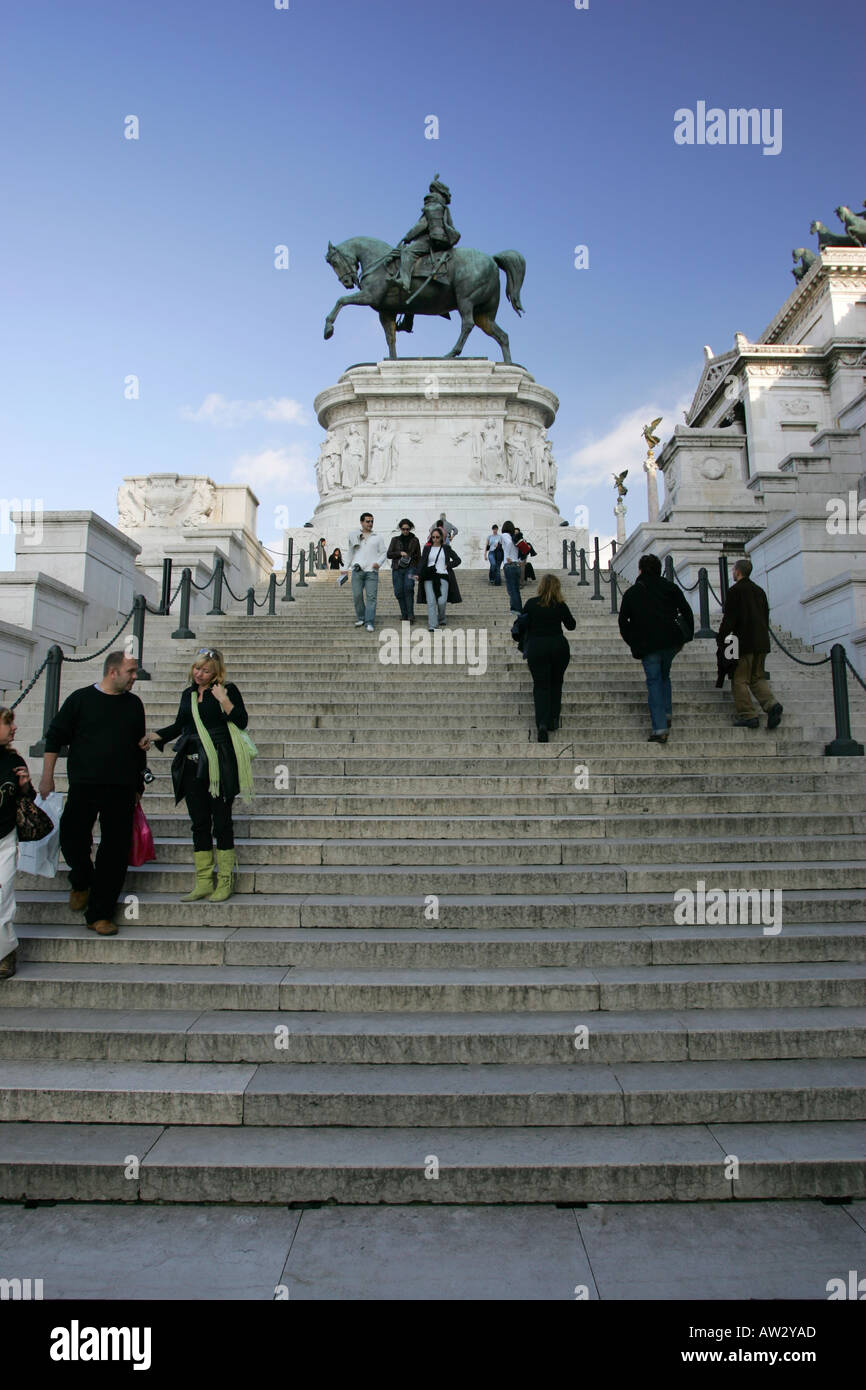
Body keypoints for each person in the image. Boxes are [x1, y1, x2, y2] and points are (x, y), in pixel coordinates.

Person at [39, 650, 147, 936]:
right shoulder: (80, 699)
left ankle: (100, 913)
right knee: (72, 838)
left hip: (121, 787)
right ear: (113, 672)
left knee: (114, 851)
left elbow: (139, 746)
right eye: (131, 672)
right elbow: (54, 737)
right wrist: (47, 777)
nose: (135, 677)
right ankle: (82, 879)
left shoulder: (134, 704)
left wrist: (138, 785)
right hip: (84, 784)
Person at [144, 647, 251, 903]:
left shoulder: (227, 690)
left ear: (216, 673)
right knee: (199, 822)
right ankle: (203, 881)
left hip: (220, 763)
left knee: (222, 822)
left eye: (205, 670)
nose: (199, 674)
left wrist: (223, 699)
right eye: (197, 668)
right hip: (192, 763)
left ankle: (225, 880)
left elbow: (241, 720)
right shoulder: (188, 694)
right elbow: (180, 725)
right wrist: (154, 736)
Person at [617, 553, 694, 743]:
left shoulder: (634, 592)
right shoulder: (670, 588)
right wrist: (686, 635)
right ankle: (666, 713)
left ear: (641, 570)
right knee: (664, 676)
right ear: (659, 569)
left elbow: (623, 621)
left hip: (648, 645)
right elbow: (686, 610)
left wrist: (632, 641)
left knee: (654, 682)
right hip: (671, 643)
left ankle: (659, 728)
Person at [716, 558, 783, 729]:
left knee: (739, 679)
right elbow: (765, 615)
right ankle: (771, 705)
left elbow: (730, 618)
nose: (732, 573)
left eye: (733, 570)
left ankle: (748, 714)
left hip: (742, 642)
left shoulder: (735, 591)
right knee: (757, 677)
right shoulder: (759, 591)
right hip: (761, 641)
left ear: (738, 572)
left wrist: (721, 637)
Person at [514, 575, 576, 742]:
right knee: (556, 683)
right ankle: (553, 719)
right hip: (558, 646)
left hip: (537, 647)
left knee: (541, 686)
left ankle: (541, 723)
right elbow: (572, 625)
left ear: (540, 586)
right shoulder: (560, 605)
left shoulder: (531, 604)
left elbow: (520, 625)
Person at [0, 707, 35, 979]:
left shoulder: (13, 760)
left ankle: (5, 953)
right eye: (8, 722)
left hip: (5, 839)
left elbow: (28, 799)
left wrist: (25, 786)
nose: (14, 728)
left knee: (3, 897)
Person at [345, 512, 389, 632]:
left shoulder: (377, 537)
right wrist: (344, 568)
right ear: (361, 522)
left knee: (371, 597)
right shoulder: (355, 535)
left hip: (372, 571)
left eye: (371, 521)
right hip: (357, 570)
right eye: (367, 521)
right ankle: (361, 617)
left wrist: (378, 563)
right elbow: (350, 552)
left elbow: (384, 552)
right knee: (357, 596)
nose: (370, 523)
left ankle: (369, 621)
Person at [417, 525, 462, 630]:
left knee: (442, 601)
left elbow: (458, 560)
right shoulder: (427, 548)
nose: (435, 539)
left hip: (443, 576)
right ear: (431, 537)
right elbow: (422, 562)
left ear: (442, 537)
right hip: (429, 576)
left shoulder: (446, 548)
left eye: (437, 537)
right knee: (431, 601)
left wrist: (448, 565)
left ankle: (441, 618)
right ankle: (432, 625)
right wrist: (418, 573)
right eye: (433, 537)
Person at [387, 518, 422, 623]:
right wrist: (400, 553)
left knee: (408, 588)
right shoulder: (395, 540)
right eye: (403, 529)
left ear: (410, 528)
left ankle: (410, 615)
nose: (405, 531)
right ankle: (404, 614)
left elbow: (419, 557)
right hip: (397, 569)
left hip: (410, 568)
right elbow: (389, 554)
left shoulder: (415, 540)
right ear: (400, 529)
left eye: (407, 529)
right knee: (398, 591)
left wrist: (418, 572)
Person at [499, 521, 523, 615]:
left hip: (510, 565)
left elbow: (508, 544)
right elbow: (520, 549)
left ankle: (515, 610)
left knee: (511, 589)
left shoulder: (505, 535)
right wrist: (519, 560)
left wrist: (507, 556)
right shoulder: (515, 537)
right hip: (516, 565)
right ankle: (518, 609)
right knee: (516, 589)